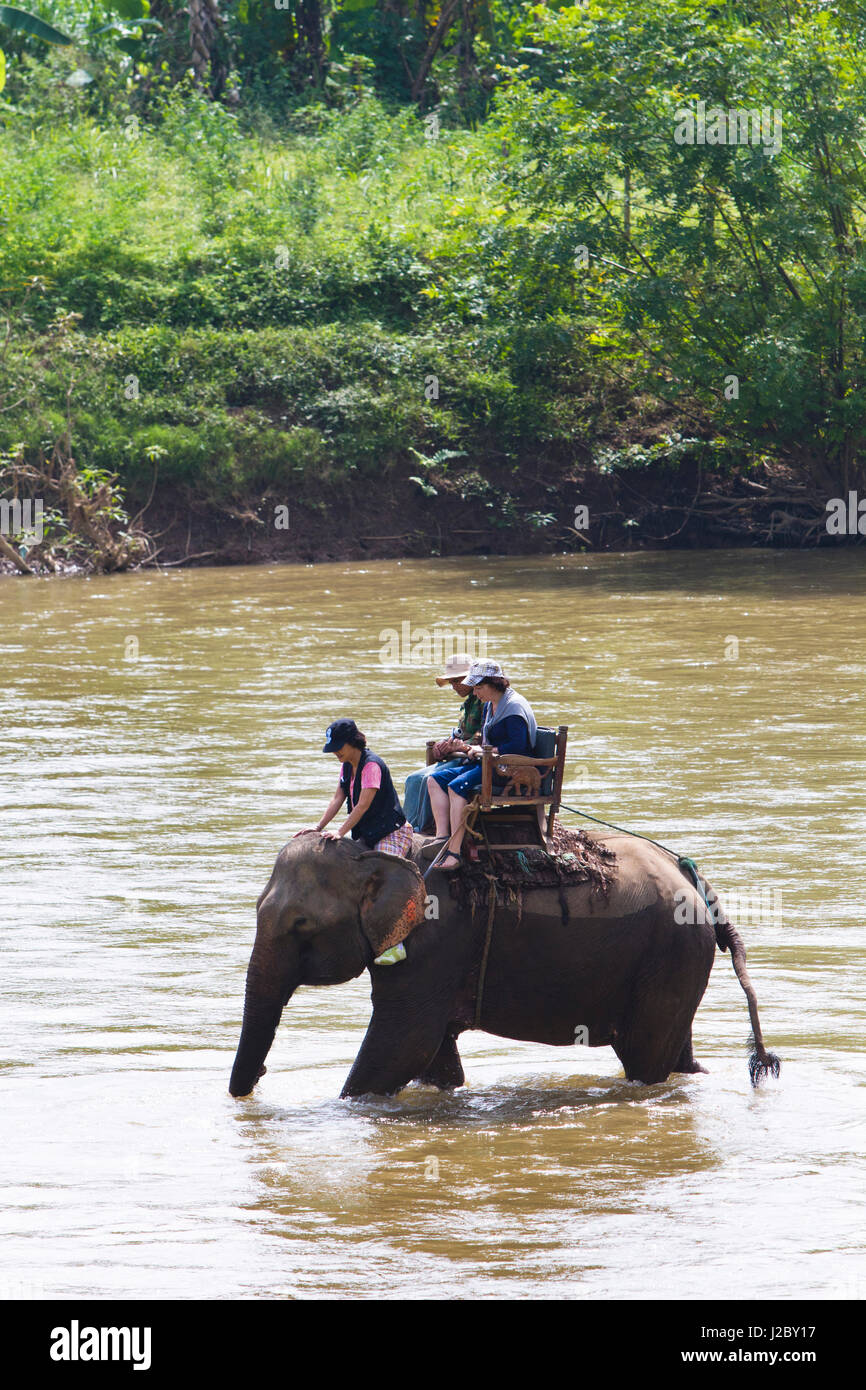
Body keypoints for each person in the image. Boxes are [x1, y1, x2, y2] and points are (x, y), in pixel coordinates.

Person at [427, 660, 538, 870]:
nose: (475, 693)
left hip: (509, 768)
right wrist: (474, 749)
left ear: (494, 684)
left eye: (478, 687)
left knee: (456, 786)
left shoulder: (513, 707)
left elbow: (517, 747)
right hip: (487, 763)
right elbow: (486, 740)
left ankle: (454, 852)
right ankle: (442, 837)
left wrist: (486, 751)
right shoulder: (489, 705)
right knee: (435, 780)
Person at [402, 654, 485, 832]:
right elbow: (459, 734)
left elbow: (482, 737)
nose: (454, 686)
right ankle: (408, 825)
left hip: (471, 760)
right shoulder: (466, 706)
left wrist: (460, 745)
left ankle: (421, 828)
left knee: (426, 779)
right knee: (413, 779)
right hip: (459, 756)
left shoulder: (483, 701)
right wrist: (445, 745)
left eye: (457, 681)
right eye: (452, 682)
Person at [315, 718, 414, 858]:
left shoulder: (371, 766)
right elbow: (337, 798)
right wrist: (318, 827)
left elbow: (362, 805)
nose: (335, 752)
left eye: (339, 747)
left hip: (391, 832)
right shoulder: (347, 765)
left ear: (352, 742)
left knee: (379, 870)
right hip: (368, 833)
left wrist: (339, 832)